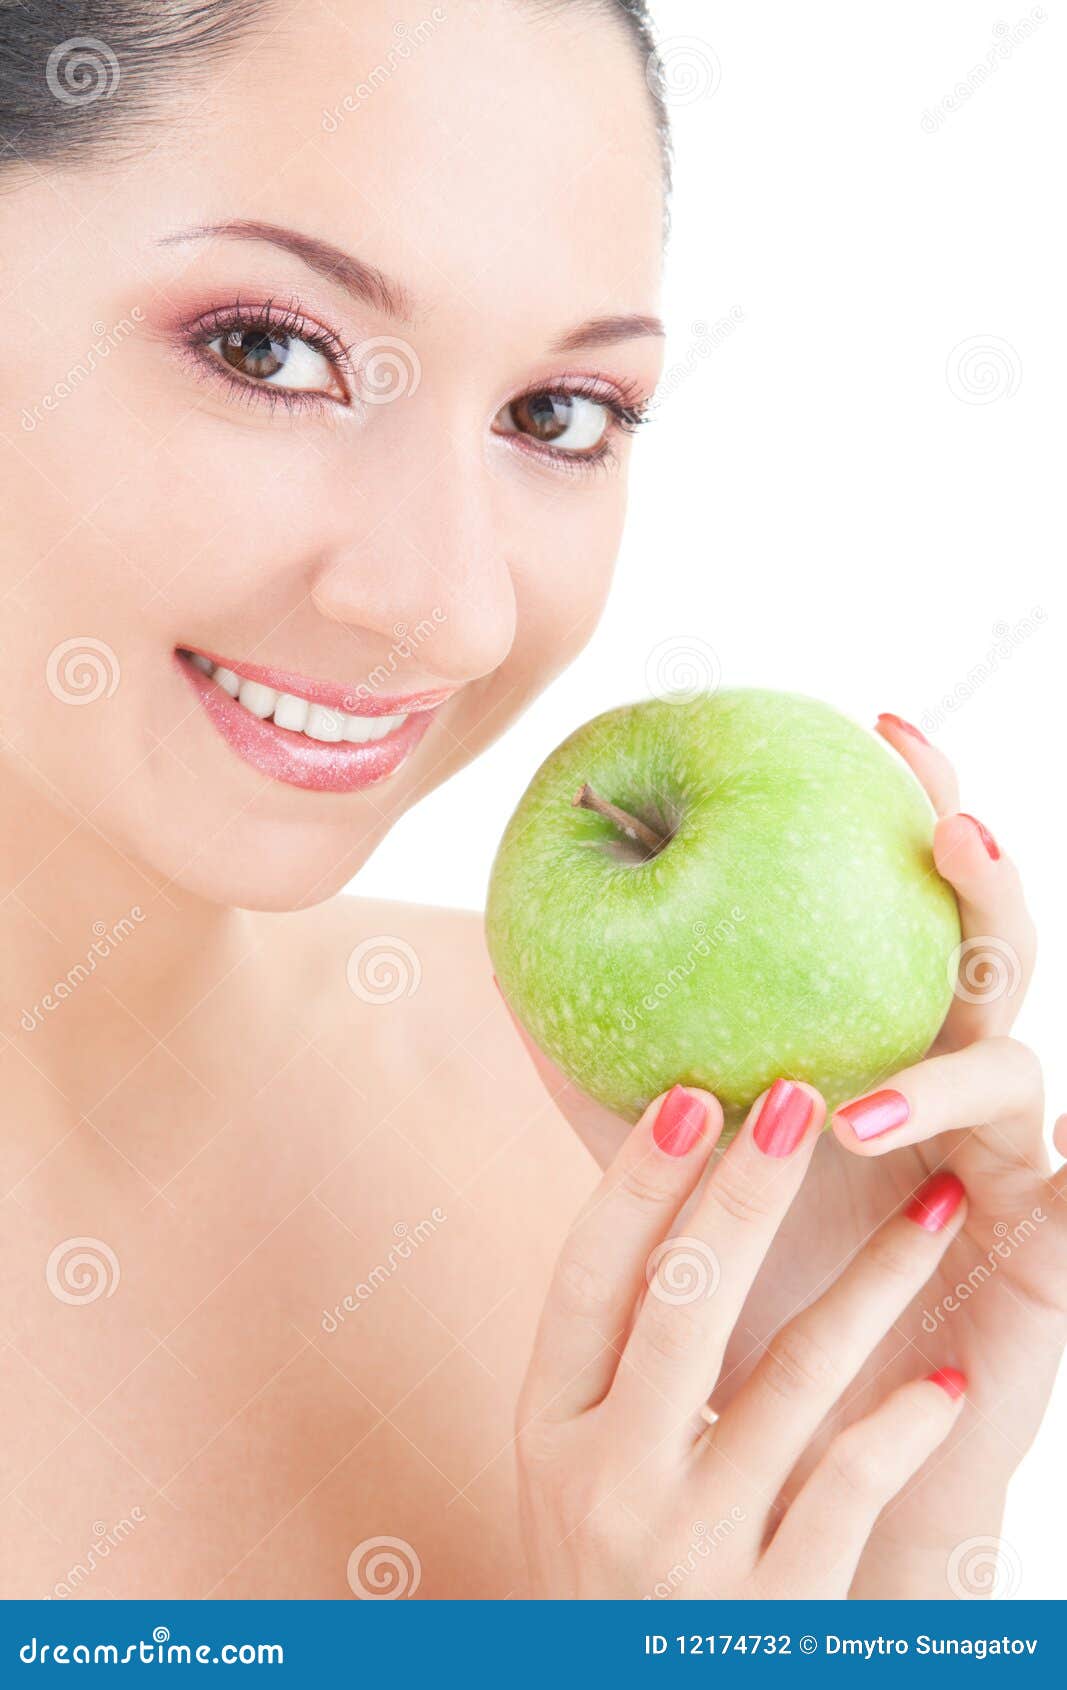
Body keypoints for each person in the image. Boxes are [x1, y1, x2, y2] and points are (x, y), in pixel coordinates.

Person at [0, 0, 1063, 1601]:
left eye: (558, 415)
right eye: (269, 349)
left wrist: (879, 1567)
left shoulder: (634, 1155)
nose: (452, 611)